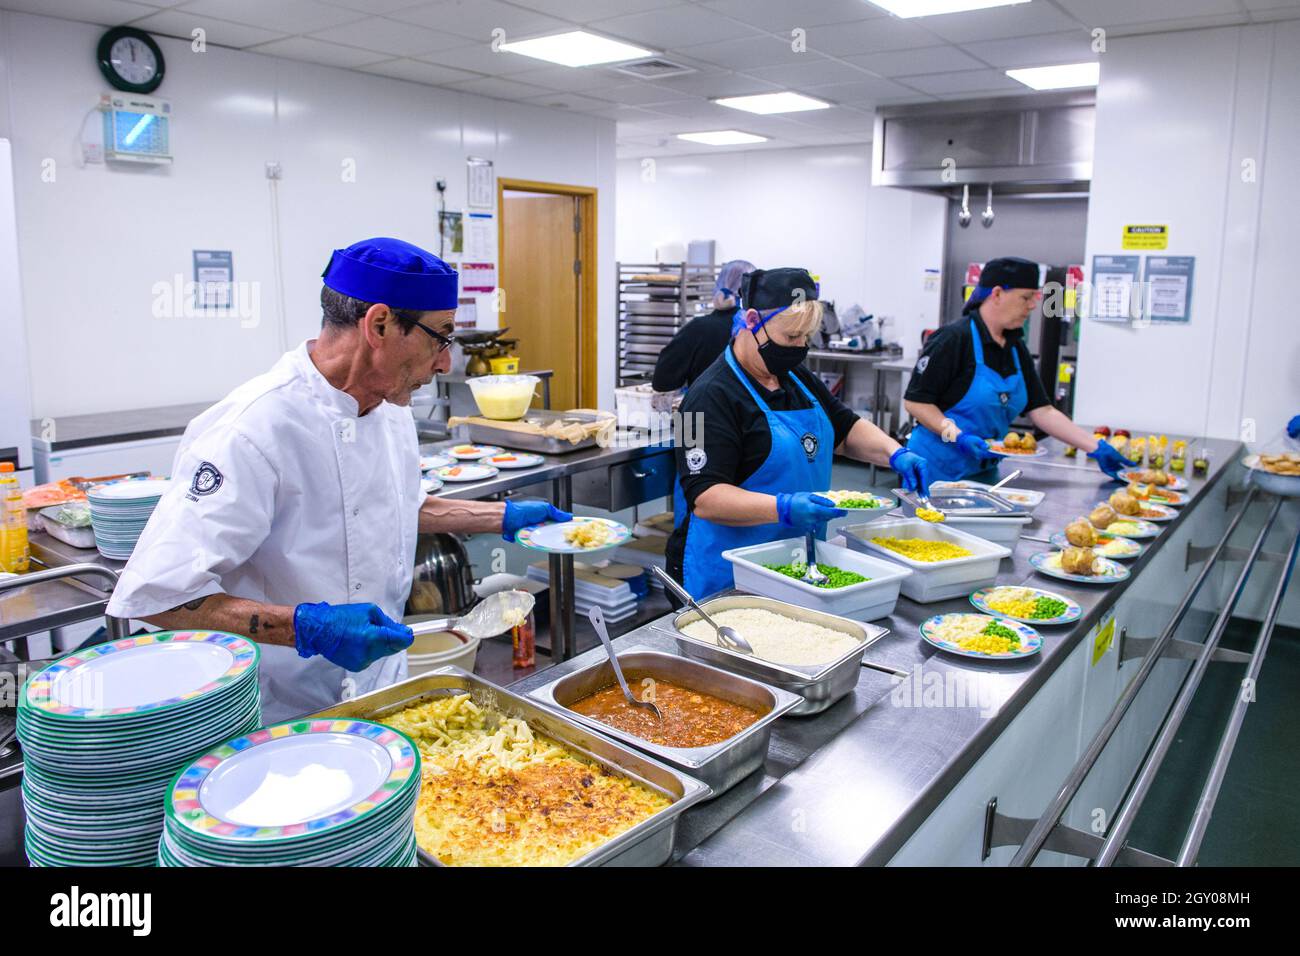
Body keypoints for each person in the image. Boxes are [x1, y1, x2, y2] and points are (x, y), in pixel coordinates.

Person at [107, 238, 568, 721]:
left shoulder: (389, 406)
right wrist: (306, 627)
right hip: (282, 707)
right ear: (380, 324)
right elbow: (156, 594)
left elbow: (397, 505)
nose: (444, 363)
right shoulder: (252, 429)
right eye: (441, 337)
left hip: (382, 687)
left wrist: (504, 516)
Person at [666, 267, 930, 599]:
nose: (799, 347)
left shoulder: (795, 377)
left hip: (791, 565)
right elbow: (705, 499)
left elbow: (845, 428)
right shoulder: (703, 398)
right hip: (727, 576)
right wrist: (784, 507)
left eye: (806, 337)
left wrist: (896, 453)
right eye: (791, 337)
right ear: (751, 320)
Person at [904, 256, 1134, 484]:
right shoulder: (953, 339)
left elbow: (1042, 411)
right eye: (1025, 297)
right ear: (996, 294)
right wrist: (957, 437)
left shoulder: (1014, 346)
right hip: (935, 471)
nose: (1033, 305)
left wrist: (1095, 447)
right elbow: (917, 402)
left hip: (983, 471)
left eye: (1034, 297)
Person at [652, 259, 756, 526]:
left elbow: (663, 378)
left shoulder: (699, 329)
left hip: (695, 423)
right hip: (748, 425)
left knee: (695, 497)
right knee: (741, 507)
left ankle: (685, 553)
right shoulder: (757, 333)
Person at [651, 258, 757, 398]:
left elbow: (662, 381)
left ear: (718, 285)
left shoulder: (698, 329)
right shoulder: (761, 330)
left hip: (706, 414)